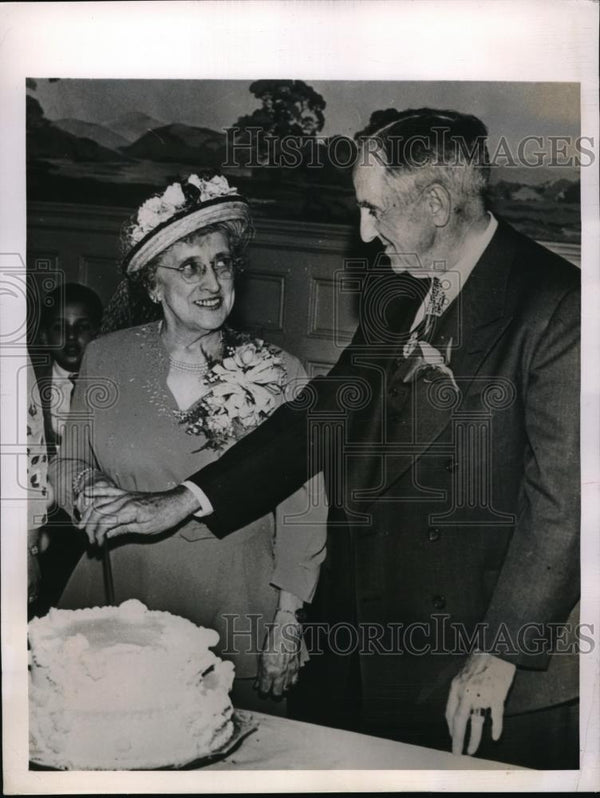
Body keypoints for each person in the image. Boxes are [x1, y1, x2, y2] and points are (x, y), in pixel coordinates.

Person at [76, 110, 580, 769]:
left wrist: (501, 651)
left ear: (433, 203)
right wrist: (187, 498)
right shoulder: (402, 286)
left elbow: (566, 505)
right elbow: (321, 416)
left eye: (374, 211)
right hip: (368, 627)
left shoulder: (558, 306)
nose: (365, 233)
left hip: (477, 655)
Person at [54, 174, 327, 709]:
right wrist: (90, 492)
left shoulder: (281, 372)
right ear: (153, 286)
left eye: (222, 263)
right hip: (121, 599)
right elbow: (68, 464)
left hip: (235, 604)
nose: (212, 281)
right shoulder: (106, 358)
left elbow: (304, 511)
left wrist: (289, 620)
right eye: (190, 267)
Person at [31, 283, 103, 612]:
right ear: (45, 337)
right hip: (43, 519)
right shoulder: (30, 383)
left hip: (94, 512)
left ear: (100, 333)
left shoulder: (112, 384)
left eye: (83, 327)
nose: (71, 338)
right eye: (60, 328)